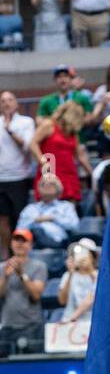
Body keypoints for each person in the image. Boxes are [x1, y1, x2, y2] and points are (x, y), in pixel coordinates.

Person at [29, 103, 92, 206]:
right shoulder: (49, 125)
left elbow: (80, 156)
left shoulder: (72, 133)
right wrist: (43, 161)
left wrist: (92, 173)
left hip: (69, 175)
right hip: (51, 172)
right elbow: (33, 143)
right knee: (47, 208)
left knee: (69, 209)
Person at [0, 92, 36, 259]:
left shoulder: (26, 122)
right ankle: (6, 253)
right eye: (3, 101)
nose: (6, 104)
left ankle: (20, 252)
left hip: (19, 177)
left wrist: (10, 130)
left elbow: (27, 146)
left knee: (18, 218)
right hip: (1, 178)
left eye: (10, 100)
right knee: (3, 218)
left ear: (16, 104)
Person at [0, 230, 47, 357]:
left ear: (30, 245)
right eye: (16, 240)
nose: (19, 244)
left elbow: (36, 295)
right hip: (7, 326)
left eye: (24, 241)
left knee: (32, 367)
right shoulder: (2, 267)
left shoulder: (39, 266)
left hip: (31, 327)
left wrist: (22, 274)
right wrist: (5, 277)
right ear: (11, 244)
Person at [17, 175, 78, 248]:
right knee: (36, 232)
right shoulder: (30, 208)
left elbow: (74, 226)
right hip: (33, 243)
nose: (47, 185)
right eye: (44, 184)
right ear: (38, 189)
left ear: (58, 188)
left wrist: (53, 218)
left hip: (58, 243)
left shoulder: (66, 207)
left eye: (51, 184)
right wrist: (35, 220)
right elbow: (19, 229)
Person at [57, 238, 96, 324]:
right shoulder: (67, 275)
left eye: (85, 252)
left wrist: (90, 272)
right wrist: (71, 274)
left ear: (93, 256)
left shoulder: (99, 276)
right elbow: (62, 301)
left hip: (92, 324)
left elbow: (95, 296)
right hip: (70, 325)